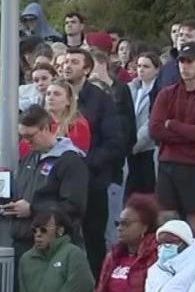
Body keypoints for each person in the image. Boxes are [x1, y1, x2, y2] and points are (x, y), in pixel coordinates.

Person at [149, 41, 195, 244]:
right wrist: (188, 134)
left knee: (194, 228)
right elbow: (155, 129)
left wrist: (172, 124)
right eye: (181, 61)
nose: (184, 66)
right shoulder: (167, 93)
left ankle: (194, 270)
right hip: (168, 164)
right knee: (166, 223)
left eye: (190, 61)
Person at [62, 46, 126, 275]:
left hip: (93, 182)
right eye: (65, 61)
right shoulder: (56, 95)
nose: (67, 65)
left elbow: (114, 143)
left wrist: (85, 163)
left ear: (87, 69)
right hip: (61, 183)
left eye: (74, 62)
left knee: (93, 239)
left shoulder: (100, 99)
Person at [4, 106, 88, 259]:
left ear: (46, 129)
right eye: (22, 136)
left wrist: (32, 209)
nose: (26, 141)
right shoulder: (29, 157)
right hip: (22, 242)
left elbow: (74, 206)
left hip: (53, 248)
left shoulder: (70, 161)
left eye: (30, 136)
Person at [18, 209, 95, 292]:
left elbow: (82, 286)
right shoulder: (26, 259)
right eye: (34, 231)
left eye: (44, 230)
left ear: (60, 231)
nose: (38, 234)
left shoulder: (73, 254)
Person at [96, 193, 160, 292]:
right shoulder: (113, 256)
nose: (119, 228)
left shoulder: (156, 256)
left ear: (145, 227)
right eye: (118, 223)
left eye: (126, 223)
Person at [145, 219, 195, 292]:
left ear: (184, 242)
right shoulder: (154, 269)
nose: (164, 247)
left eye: (169, 242)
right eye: (161, 243)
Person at [126, 52, 161, 195]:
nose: (141, 69)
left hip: (149, 148)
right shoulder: (131, 88)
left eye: (146, 66)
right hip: (130, 148)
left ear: (157, 69)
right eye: (139, 66)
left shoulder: (159, 91)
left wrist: (134, 144)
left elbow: (151, 120)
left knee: (147, 191)